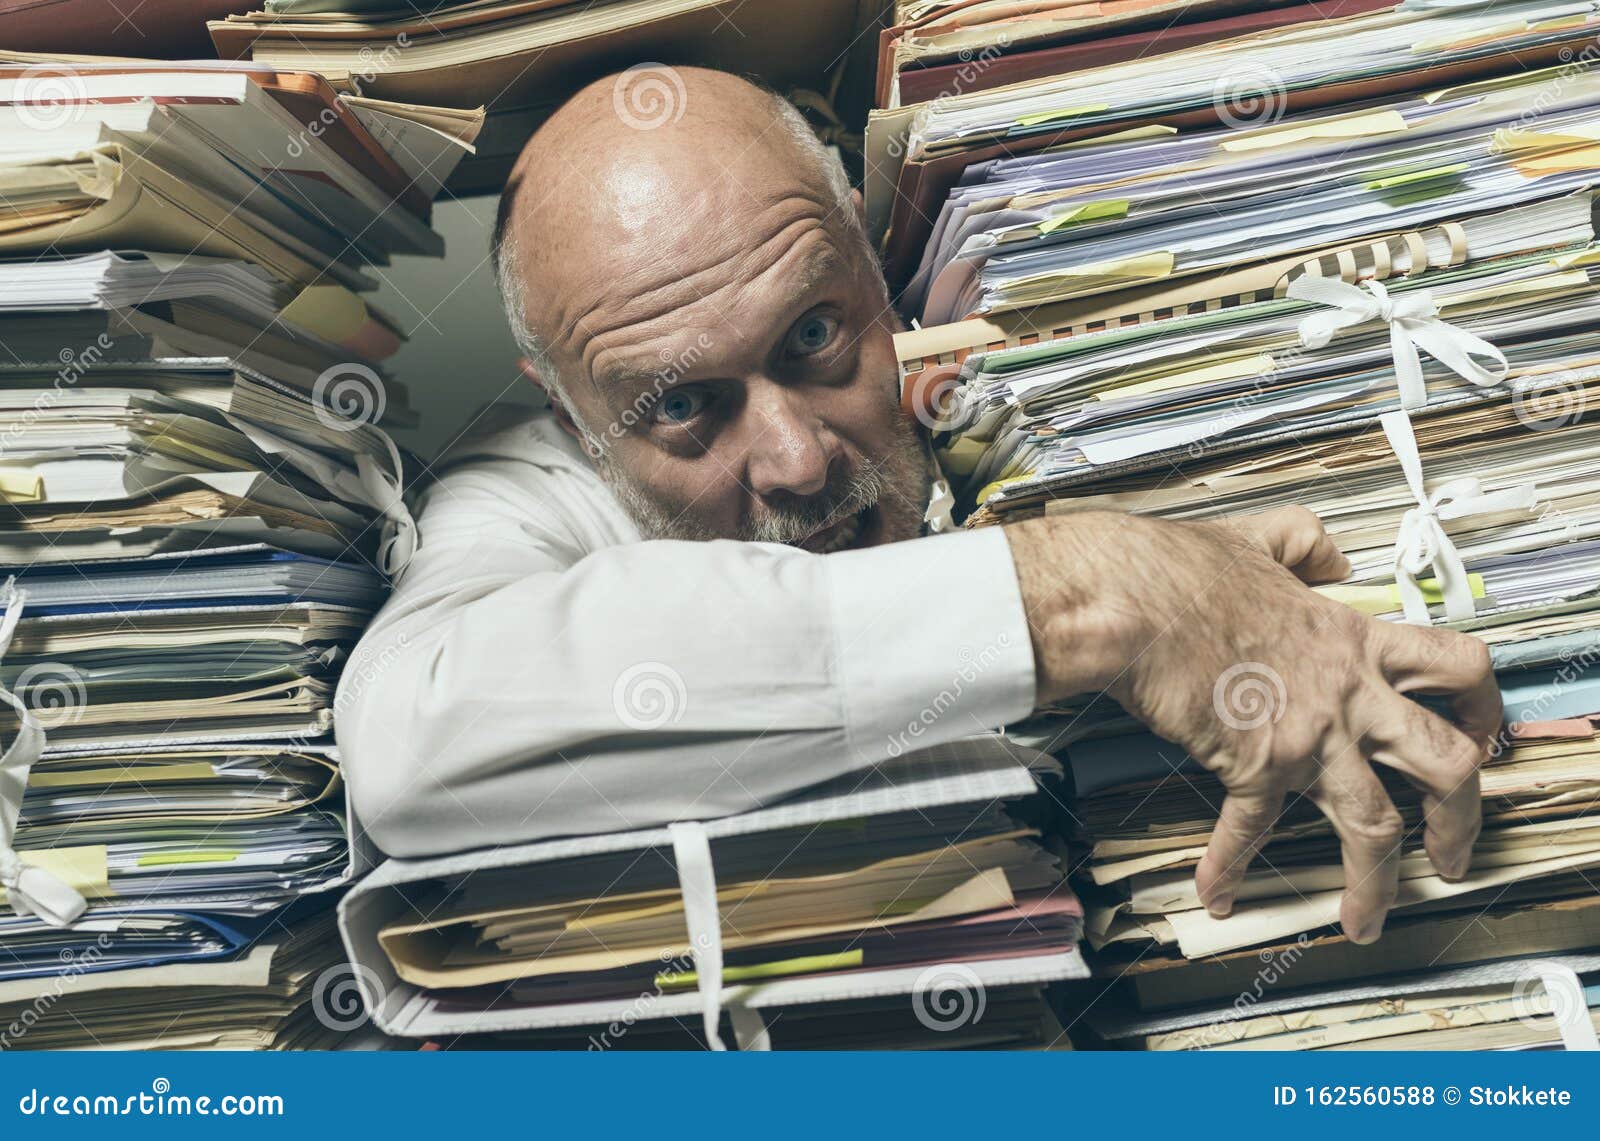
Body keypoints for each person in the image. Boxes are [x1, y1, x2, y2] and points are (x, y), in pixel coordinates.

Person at [337, 66, 1500, 947]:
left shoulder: (1023, 378)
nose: (796, 459)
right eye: (684, 406)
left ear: (865, 246)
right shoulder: (527, 490)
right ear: (572, 414)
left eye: (813, 335)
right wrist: (1091, 592)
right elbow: (408, 738)